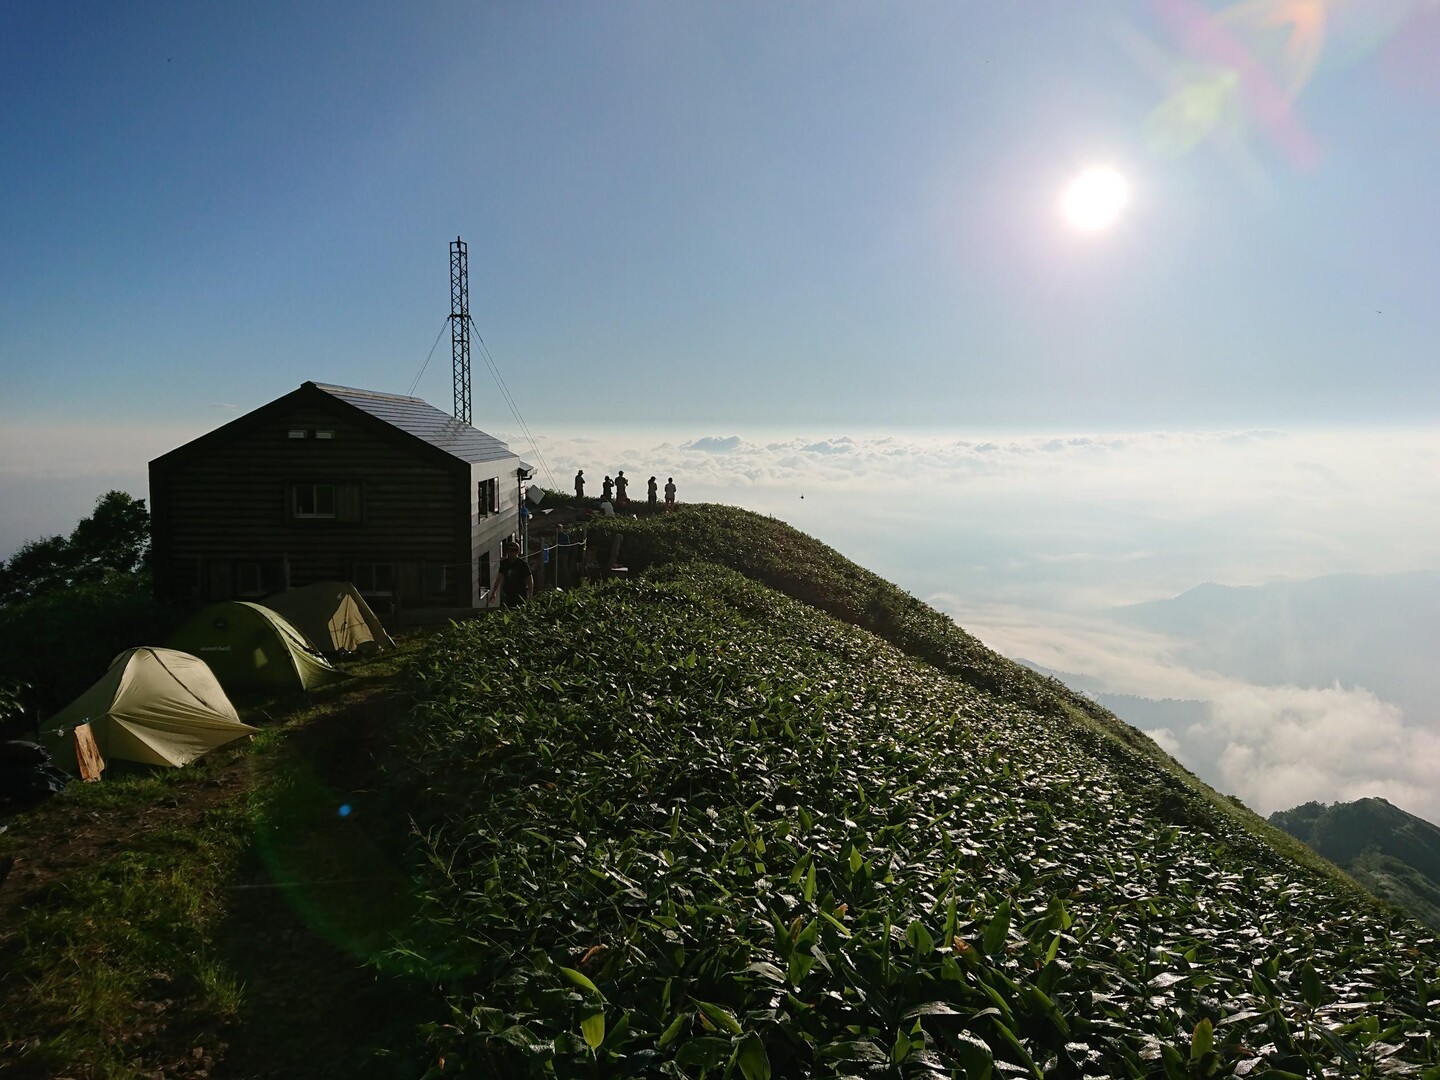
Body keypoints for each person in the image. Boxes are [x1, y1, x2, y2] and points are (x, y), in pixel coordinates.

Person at [496, 541, 533, 607]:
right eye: (508, 551)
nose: (510, 553)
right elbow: (499, 578)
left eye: (512, 551)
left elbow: (530, 580)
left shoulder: (522, 564)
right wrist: (494, 592)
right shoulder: (504, 563)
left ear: (517, 552)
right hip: (507, 593)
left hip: (520, 593)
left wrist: (530, 595)